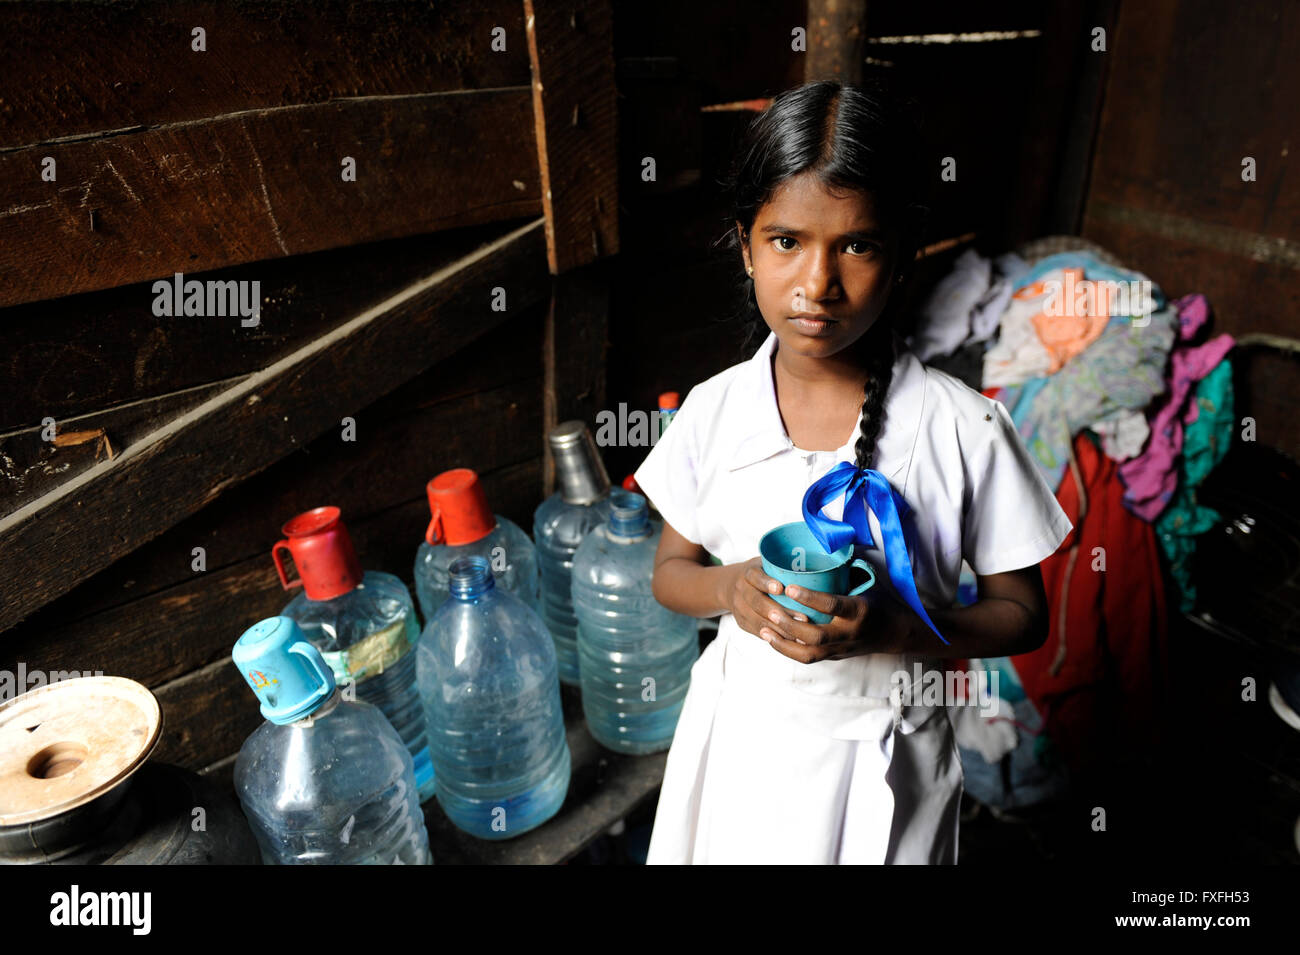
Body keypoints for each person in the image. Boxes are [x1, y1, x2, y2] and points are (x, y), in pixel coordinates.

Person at [632, 80, 1073, 864]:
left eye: (858, 245)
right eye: (786, 241)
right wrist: (730, 588)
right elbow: (671, 572)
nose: (817, 284)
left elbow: (1024, 614)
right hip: (740, 749)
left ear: (901, 255)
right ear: (745, 244)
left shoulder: (962, 428)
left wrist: (904, 629)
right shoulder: (714, 410)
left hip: (886, 759)